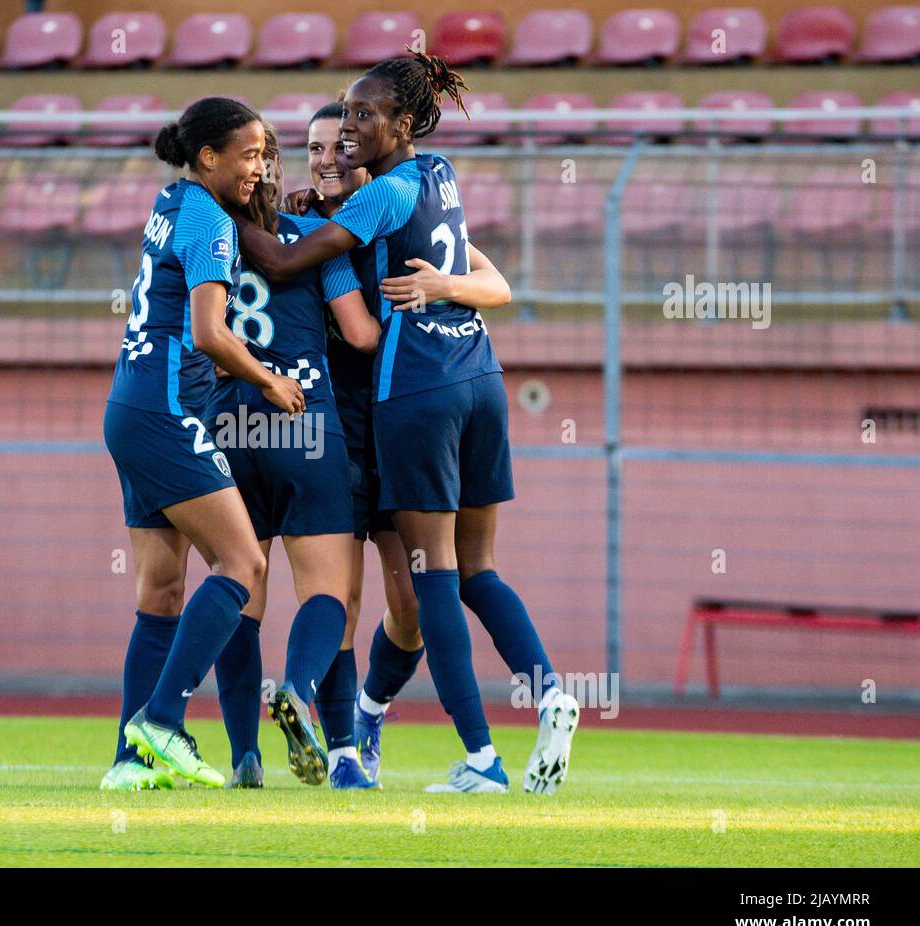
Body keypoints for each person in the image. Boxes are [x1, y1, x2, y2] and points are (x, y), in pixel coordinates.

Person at [231, 54, 580, 794]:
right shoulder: (437, 176)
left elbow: (313, 272)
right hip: (468, 381)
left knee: (425, 593)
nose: (345, 138)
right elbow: (489, 282)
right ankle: (535, 695)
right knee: (436, 580)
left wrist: (219, 211)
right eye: (329, 134)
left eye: (358, 121)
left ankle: (467, 753)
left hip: (410, 399)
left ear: (402, 123)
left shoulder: (381, 199)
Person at [100, 97, 305, 791]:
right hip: (163, 409)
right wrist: (270, 378)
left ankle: (130, 762)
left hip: (128, 405)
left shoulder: (172, 200)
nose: (259, 168)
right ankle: (161, 722)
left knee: (160, 590)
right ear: (209, 155)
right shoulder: (212, 219)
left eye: (263, 154)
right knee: (243, 563)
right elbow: (213, 333)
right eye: (248, 155)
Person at [206, 125, 382, 789]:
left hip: (230, 422)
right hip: (303, 421)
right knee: (329, 593)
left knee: (238, 594)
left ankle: (244, 756)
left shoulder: (212, 238)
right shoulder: (311, 239)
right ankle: (302, 693)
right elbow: (362, 334)